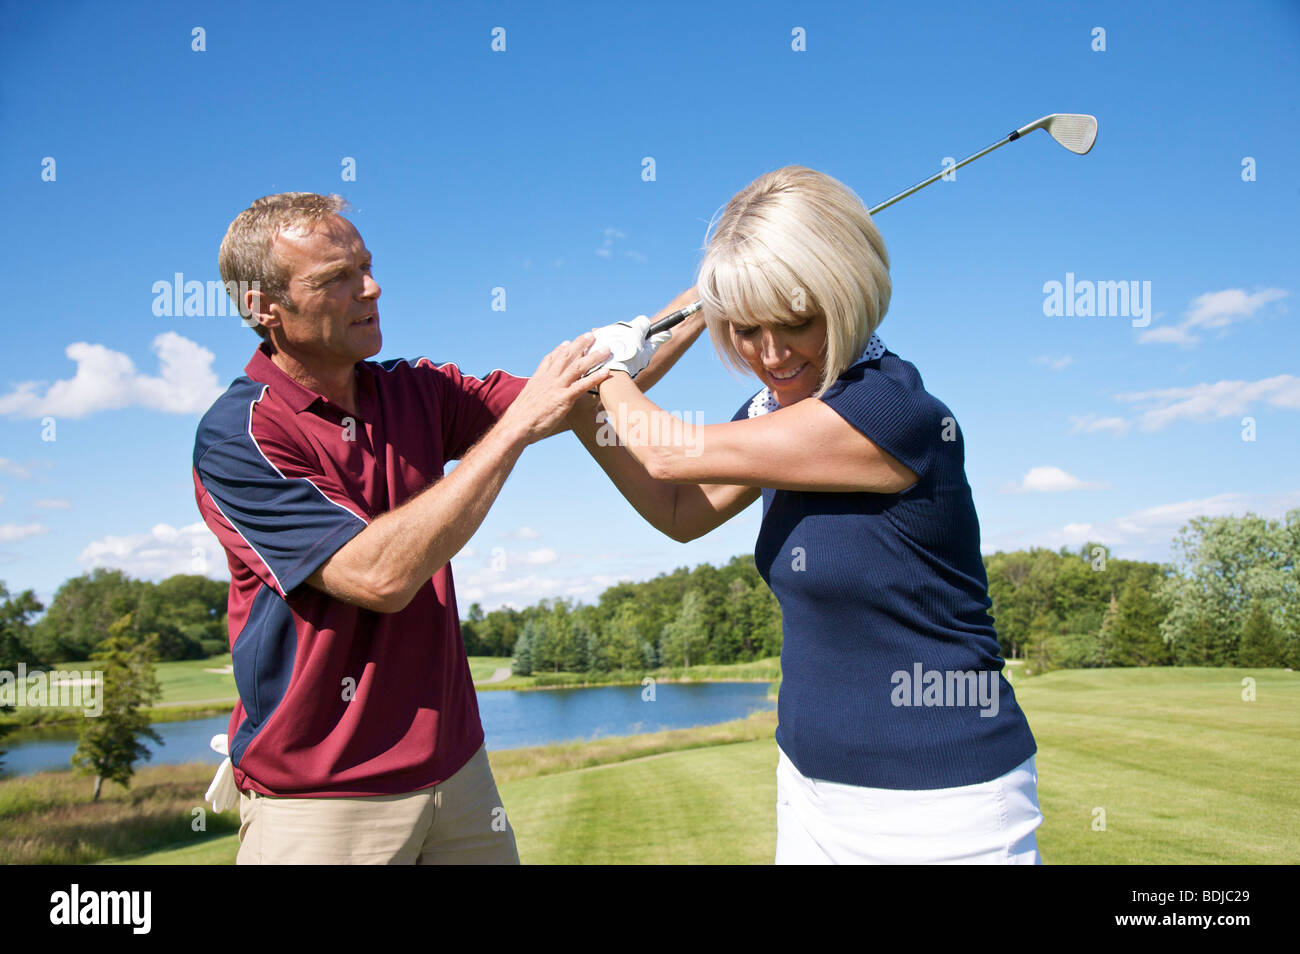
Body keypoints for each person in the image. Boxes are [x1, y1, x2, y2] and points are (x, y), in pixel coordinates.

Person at [193, 192, 700, 864]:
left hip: (459, 775)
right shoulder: (240, 434)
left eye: (366, 266)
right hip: (324, 801)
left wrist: (722, 290)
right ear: (265, 310)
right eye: (334, 279)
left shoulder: (415, 390)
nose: (370, 287)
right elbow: (380, 575)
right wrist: (517, 427)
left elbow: (578, 393)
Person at [571, 166, 1043, 864]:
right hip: (811, 790)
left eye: (795, 322)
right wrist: (590, 415)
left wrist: (607, 370)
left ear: (847, 294)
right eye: (745, 328)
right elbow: (676, 510)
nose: (770, 354)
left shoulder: (890, 411)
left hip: (944, 803)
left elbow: (669, 455)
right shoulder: (773, 416)